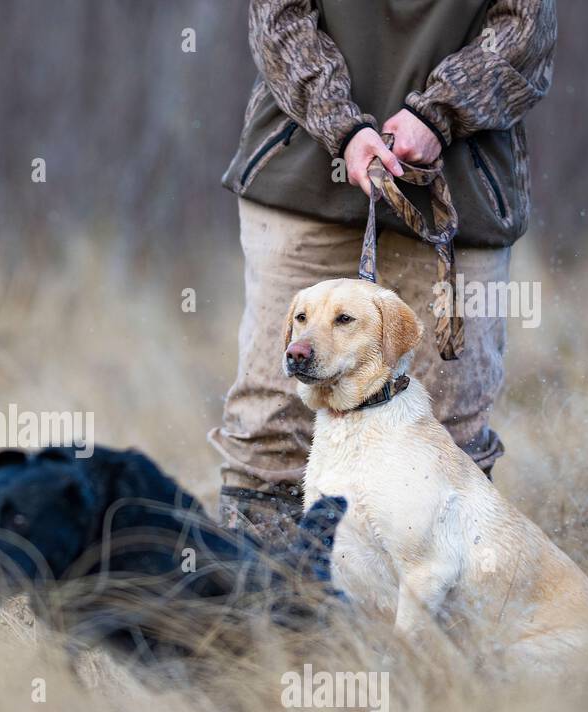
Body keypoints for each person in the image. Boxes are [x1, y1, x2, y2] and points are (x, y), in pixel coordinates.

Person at [208, 0, 557, 535]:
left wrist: (439, 114)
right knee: (272, 426)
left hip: (461, 195)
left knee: (450, 433)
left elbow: (525, 31)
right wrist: (343, 128)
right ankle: (263, 610)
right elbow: (278, 20)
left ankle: (438, 613)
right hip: (300, 183)